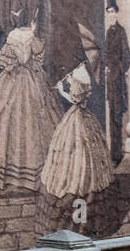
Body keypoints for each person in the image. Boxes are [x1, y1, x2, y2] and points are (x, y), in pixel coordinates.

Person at [0, 8, 62, 189]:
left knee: (6, 120)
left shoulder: (12, 36)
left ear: (13, 17)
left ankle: (9, 172)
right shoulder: (32, 34)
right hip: (33, 80)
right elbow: (37, 58)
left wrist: (8, 55)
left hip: (13, 81)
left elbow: (9, 63)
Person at [40, 54, 115, 209]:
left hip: (77, 116)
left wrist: (62, 89)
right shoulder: (82, 74)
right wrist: (69, 81)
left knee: (76, 151)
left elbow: (75, 99)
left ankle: (77, 187)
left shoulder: (80, 75)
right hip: (84, 115)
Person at [103, 0, 130, 167]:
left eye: (113, 11)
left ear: (117, 13)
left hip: (118, 81)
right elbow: (106, 54)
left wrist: (119, 69)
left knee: (118, 118)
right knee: (112, 115)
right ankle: (114, 153)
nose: (111, 15)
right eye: (109, 12)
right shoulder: (107, 32)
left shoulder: (121, 32)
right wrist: (107, 65)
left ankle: (117, 155)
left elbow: (127, 56)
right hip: (110, 81)